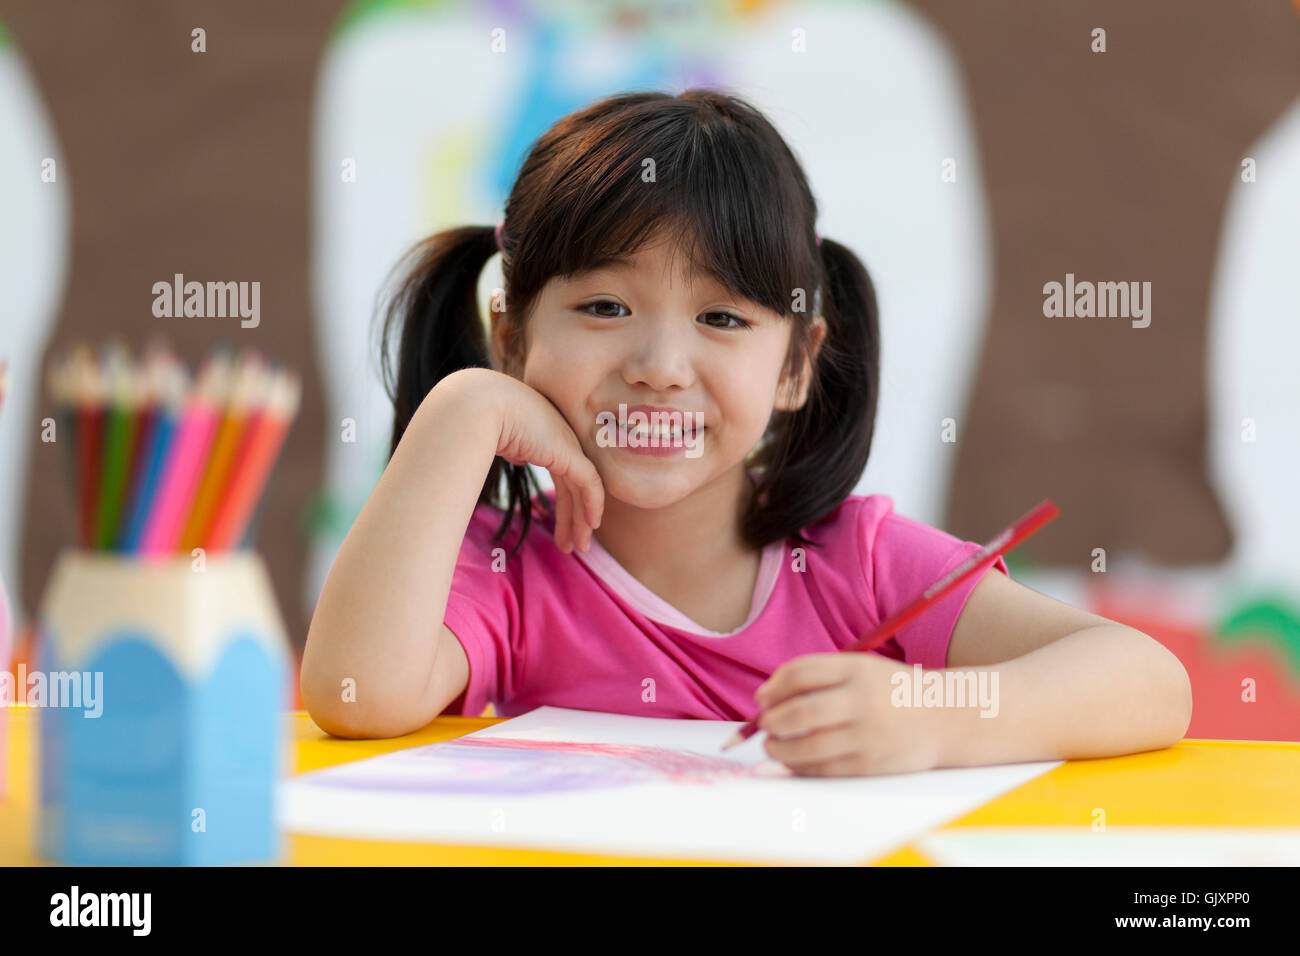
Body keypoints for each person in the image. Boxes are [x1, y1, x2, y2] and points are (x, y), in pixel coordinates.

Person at [302, 89, 1191, 777]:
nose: (660, 365)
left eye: (722, 320)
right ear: (512, 338)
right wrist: (465, 409)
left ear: (798, 363)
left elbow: (1148, 680)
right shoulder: (505, 568)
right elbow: (356, 695)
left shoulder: (860, 561)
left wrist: (932, 717)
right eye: (604, 306)